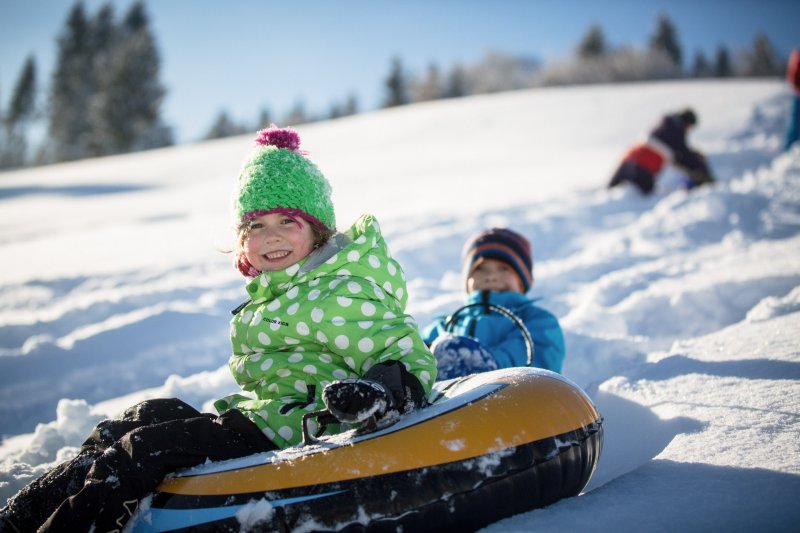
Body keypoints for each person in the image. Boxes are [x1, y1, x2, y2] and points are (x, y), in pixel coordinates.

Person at [0, 126, 437, 532]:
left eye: (288, 221)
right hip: (264, 417)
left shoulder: (338, 291)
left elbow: (404, 353)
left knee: (143, 450)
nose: (272, 237)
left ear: (318, 232)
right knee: (140, 418)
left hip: (302, 426)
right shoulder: (284, 289)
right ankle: (19, 518)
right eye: (256, 225)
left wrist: (380, 393)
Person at [422, 228, 565, 380]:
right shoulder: (445, 326)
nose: (491, 277)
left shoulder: (538, 321)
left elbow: (540, 361)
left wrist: (484, 363)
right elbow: (414, 354)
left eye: (503, 269)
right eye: (480, 269)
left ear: (522, 281)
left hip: (513, 398)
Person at [608, 108, 715, 195]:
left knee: (610, 195)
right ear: (687, 123)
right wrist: (703, 172)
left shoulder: (664, 126)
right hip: (644, 167)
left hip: (628, 159)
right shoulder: (675, 133)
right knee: (640, 200)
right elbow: (685, 157)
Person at [785, 48, 800, 151]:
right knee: (795, 123)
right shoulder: (797, 55)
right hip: (798, 94)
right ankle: (789, 149)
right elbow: (793, 75)